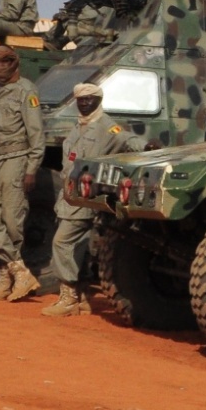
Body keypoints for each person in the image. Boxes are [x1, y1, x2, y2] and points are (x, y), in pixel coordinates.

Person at [44, 82, 144, 317]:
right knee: (81, 246)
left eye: (90, 98)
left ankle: (68, 296)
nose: (85, 102)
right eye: (81, 99)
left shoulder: (106, 127)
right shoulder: (78, 126)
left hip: (85, 197)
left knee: (62, 242)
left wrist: (147, 146)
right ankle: (84, 298)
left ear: (99, 100)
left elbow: (128, 139)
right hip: (69, 196)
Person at [0, 45, 45, 302]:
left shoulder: (26, 91)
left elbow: (36, 134)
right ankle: (19, 272)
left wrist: (31, 169)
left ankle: (7, 277)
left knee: (11, 220)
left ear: (13, 62)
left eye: (0, 63)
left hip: (16, 159)